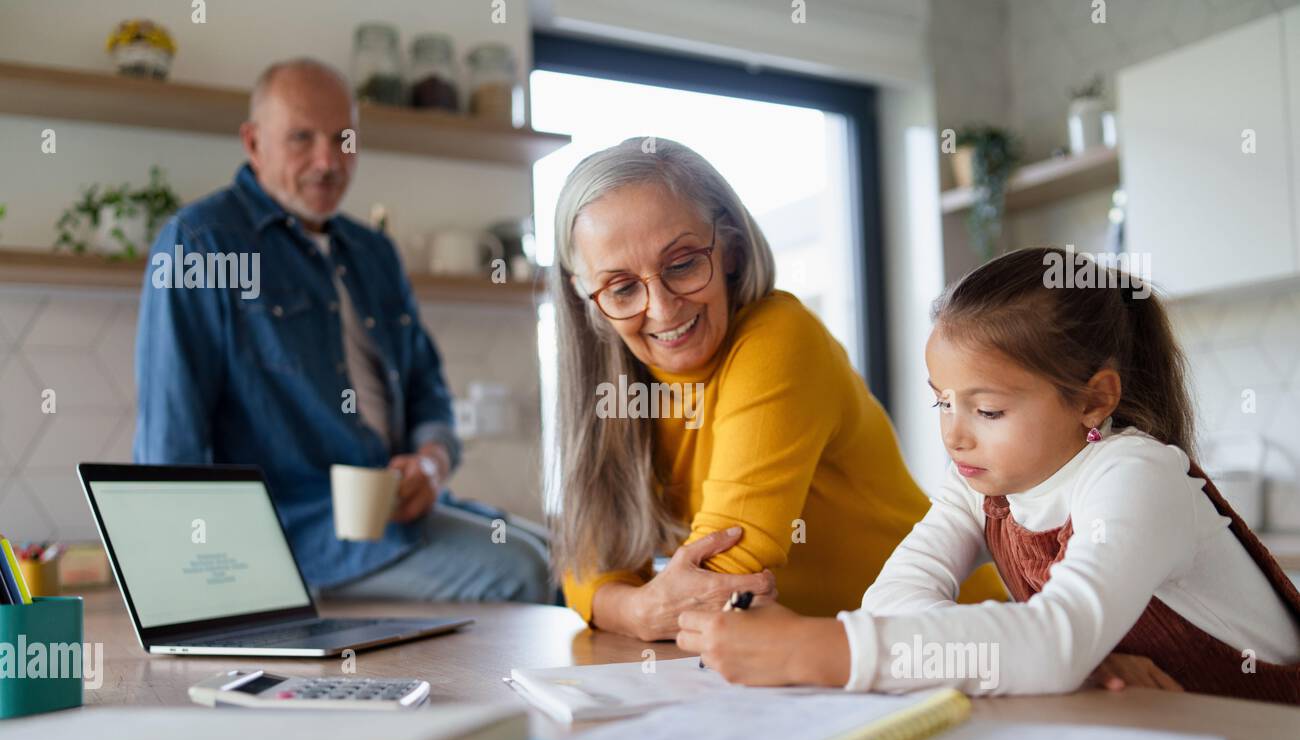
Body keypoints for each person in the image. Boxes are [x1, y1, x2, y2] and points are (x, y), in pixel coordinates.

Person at [679, 247, 1300, 704]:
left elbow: (1051, 643)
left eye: (989, 410)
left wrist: (806, 650)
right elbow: (891, 601)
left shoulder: (1135, 473)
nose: (954, 434)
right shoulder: (981, 482)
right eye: (942, 402)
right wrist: (1054, 657)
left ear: (1093, 400)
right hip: (1167, 733)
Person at [548, 136, 1006, 641]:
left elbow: (721, 586)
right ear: (585, 294)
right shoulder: (618, 389)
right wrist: (635, 610)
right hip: (816, 671)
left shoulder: (779, 336)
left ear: (731, 249)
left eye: (681, 264)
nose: (661, 308)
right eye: (622, 287)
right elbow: (586, 568)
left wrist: (638, 601)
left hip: (953, 643)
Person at [134, 58, 550, 603]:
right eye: (301, 138)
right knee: (525, 570)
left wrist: (432, 460)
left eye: (343, 138)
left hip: (396, 516)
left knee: (564, 555)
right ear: (254, 143)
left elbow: (428, 388)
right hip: (294, 541)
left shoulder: (373, 251)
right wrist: (188, 590)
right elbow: (172, 439)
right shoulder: (200, 243)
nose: (327, 160)